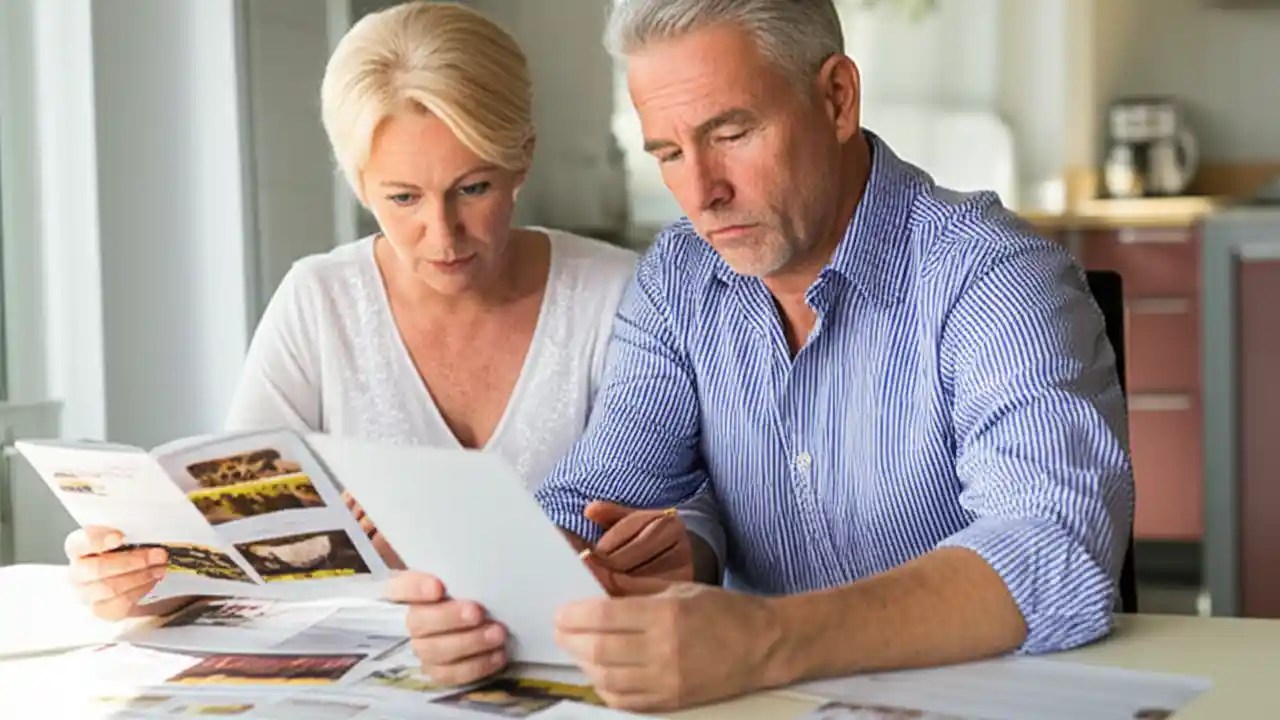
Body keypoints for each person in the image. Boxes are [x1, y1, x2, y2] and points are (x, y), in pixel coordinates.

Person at [61, 3, 712, 670]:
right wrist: (137, 584)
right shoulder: (320, 301)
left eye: (474, 187)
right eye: (403, 198)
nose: (444, 234)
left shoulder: (619, 293)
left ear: (522, 161)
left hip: (573, 670)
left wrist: (685, 549)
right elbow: (235, 534)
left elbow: (703, 515)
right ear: (360, 184)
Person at [523, 0, 1130, 711]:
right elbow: (591, 500)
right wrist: (494, 585)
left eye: (732, 133)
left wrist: (766, 640)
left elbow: (1054, 551)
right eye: (668, 154)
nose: (701, 194)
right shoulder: (679, 279)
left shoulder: (993, 277)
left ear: (837, 98)